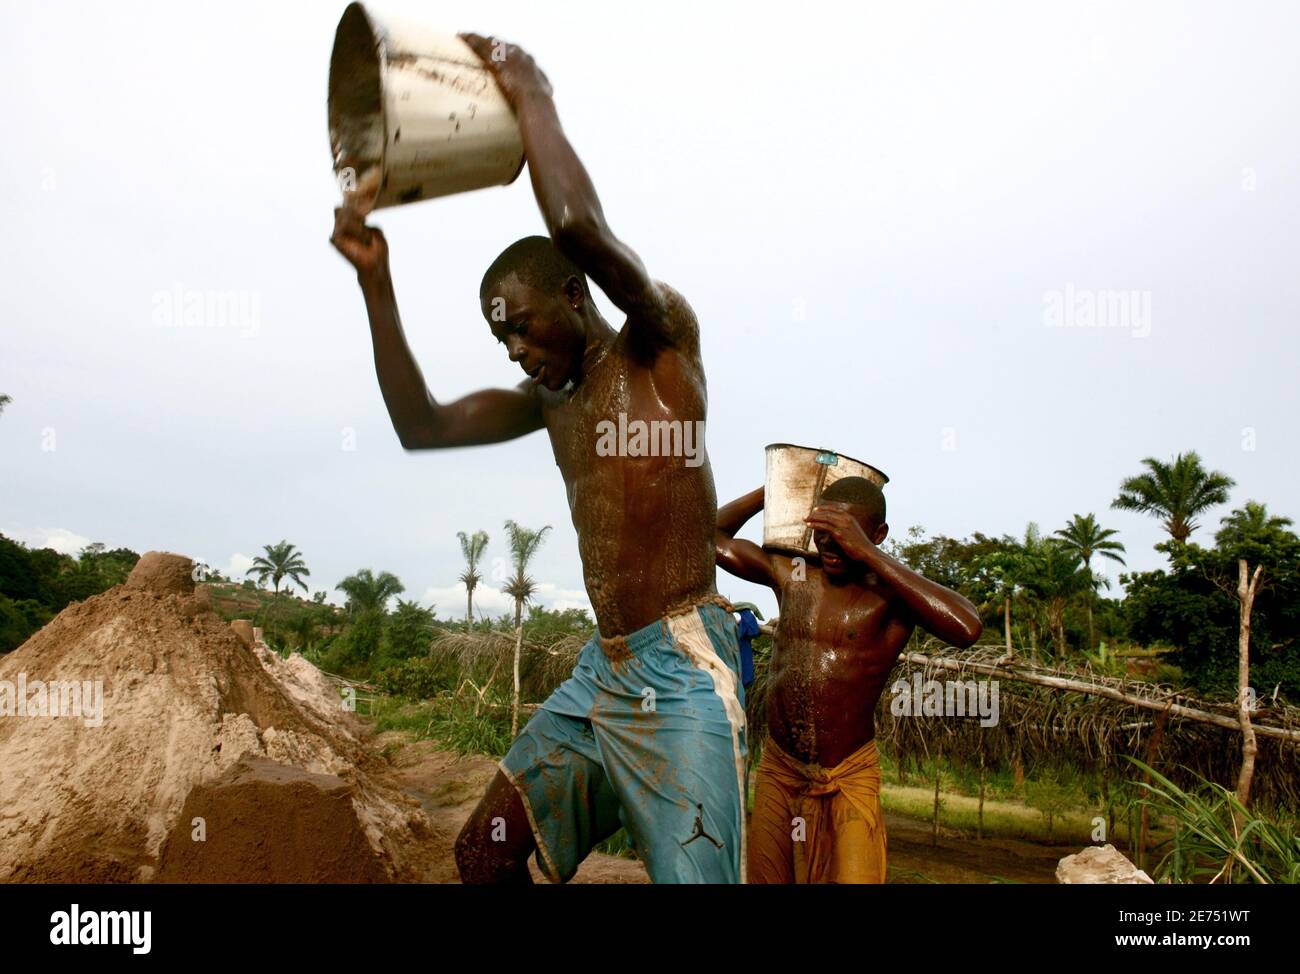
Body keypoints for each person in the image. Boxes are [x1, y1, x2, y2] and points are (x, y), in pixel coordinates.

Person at [331, 35, 746, 884]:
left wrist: (530, 92)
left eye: (521, 325)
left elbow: (579, 227)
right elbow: (423, 425)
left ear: (574, 295)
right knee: (480, 853)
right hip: (606, 667)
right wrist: (376, 281)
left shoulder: (661, 348)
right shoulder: (549, 404)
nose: (514, 349)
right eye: (498, 335)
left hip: (683, 670)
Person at [714, 476, 982, 882]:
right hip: (780, 769)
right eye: (823, 533)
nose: (830, 545)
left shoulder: (892, 594)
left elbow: (967, 628)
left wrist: (871, 555)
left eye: (845, 536)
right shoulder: (794, 573)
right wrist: (772, 489)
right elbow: (708, 538)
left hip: (848, 773)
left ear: (878, 535)